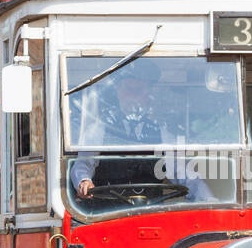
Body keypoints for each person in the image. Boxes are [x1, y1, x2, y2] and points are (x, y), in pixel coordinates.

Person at [71, 71, 211, 202]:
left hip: (149, 215)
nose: (133, 97)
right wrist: (84, 181)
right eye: (128, 90)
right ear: (118, 93)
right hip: (106, 215)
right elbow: (83, 164)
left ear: (147, 96)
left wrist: (209, 202)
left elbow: (183, 173)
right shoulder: (99, 129)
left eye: (139, 91)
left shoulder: (162, 133)